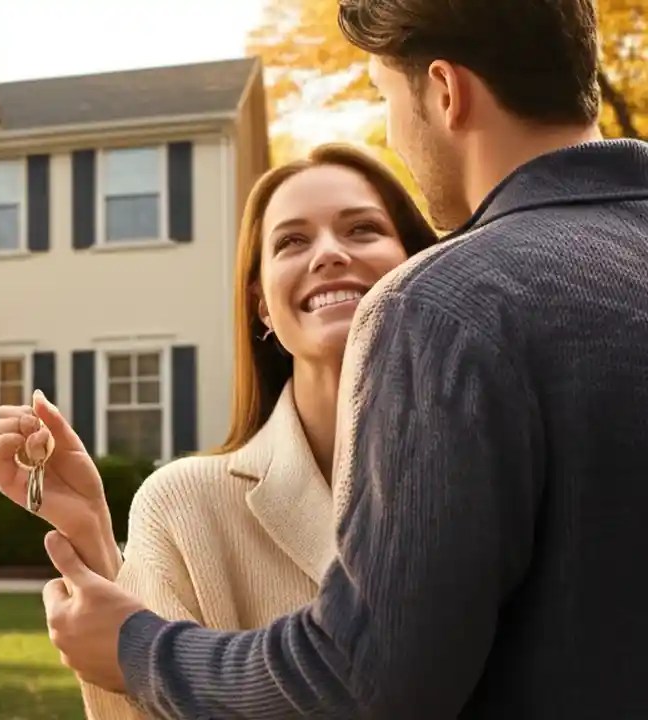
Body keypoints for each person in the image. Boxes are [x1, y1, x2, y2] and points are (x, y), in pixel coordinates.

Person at [34, 0, 648, 717]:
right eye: (291, 241)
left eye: (387, 98)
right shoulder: (187, 502)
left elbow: (364, 686)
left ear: (446, 93)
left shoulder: (443, 304)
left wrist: (139, 647)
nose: (395, 131)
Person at [0, 143, 437, 718]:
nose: (329, 254)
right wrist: (93, 540)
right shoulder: (184, 504)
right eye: (292, 241)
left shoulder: (483, 469)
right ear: (261, 303)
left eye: (363, 229)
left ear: (419, 267)